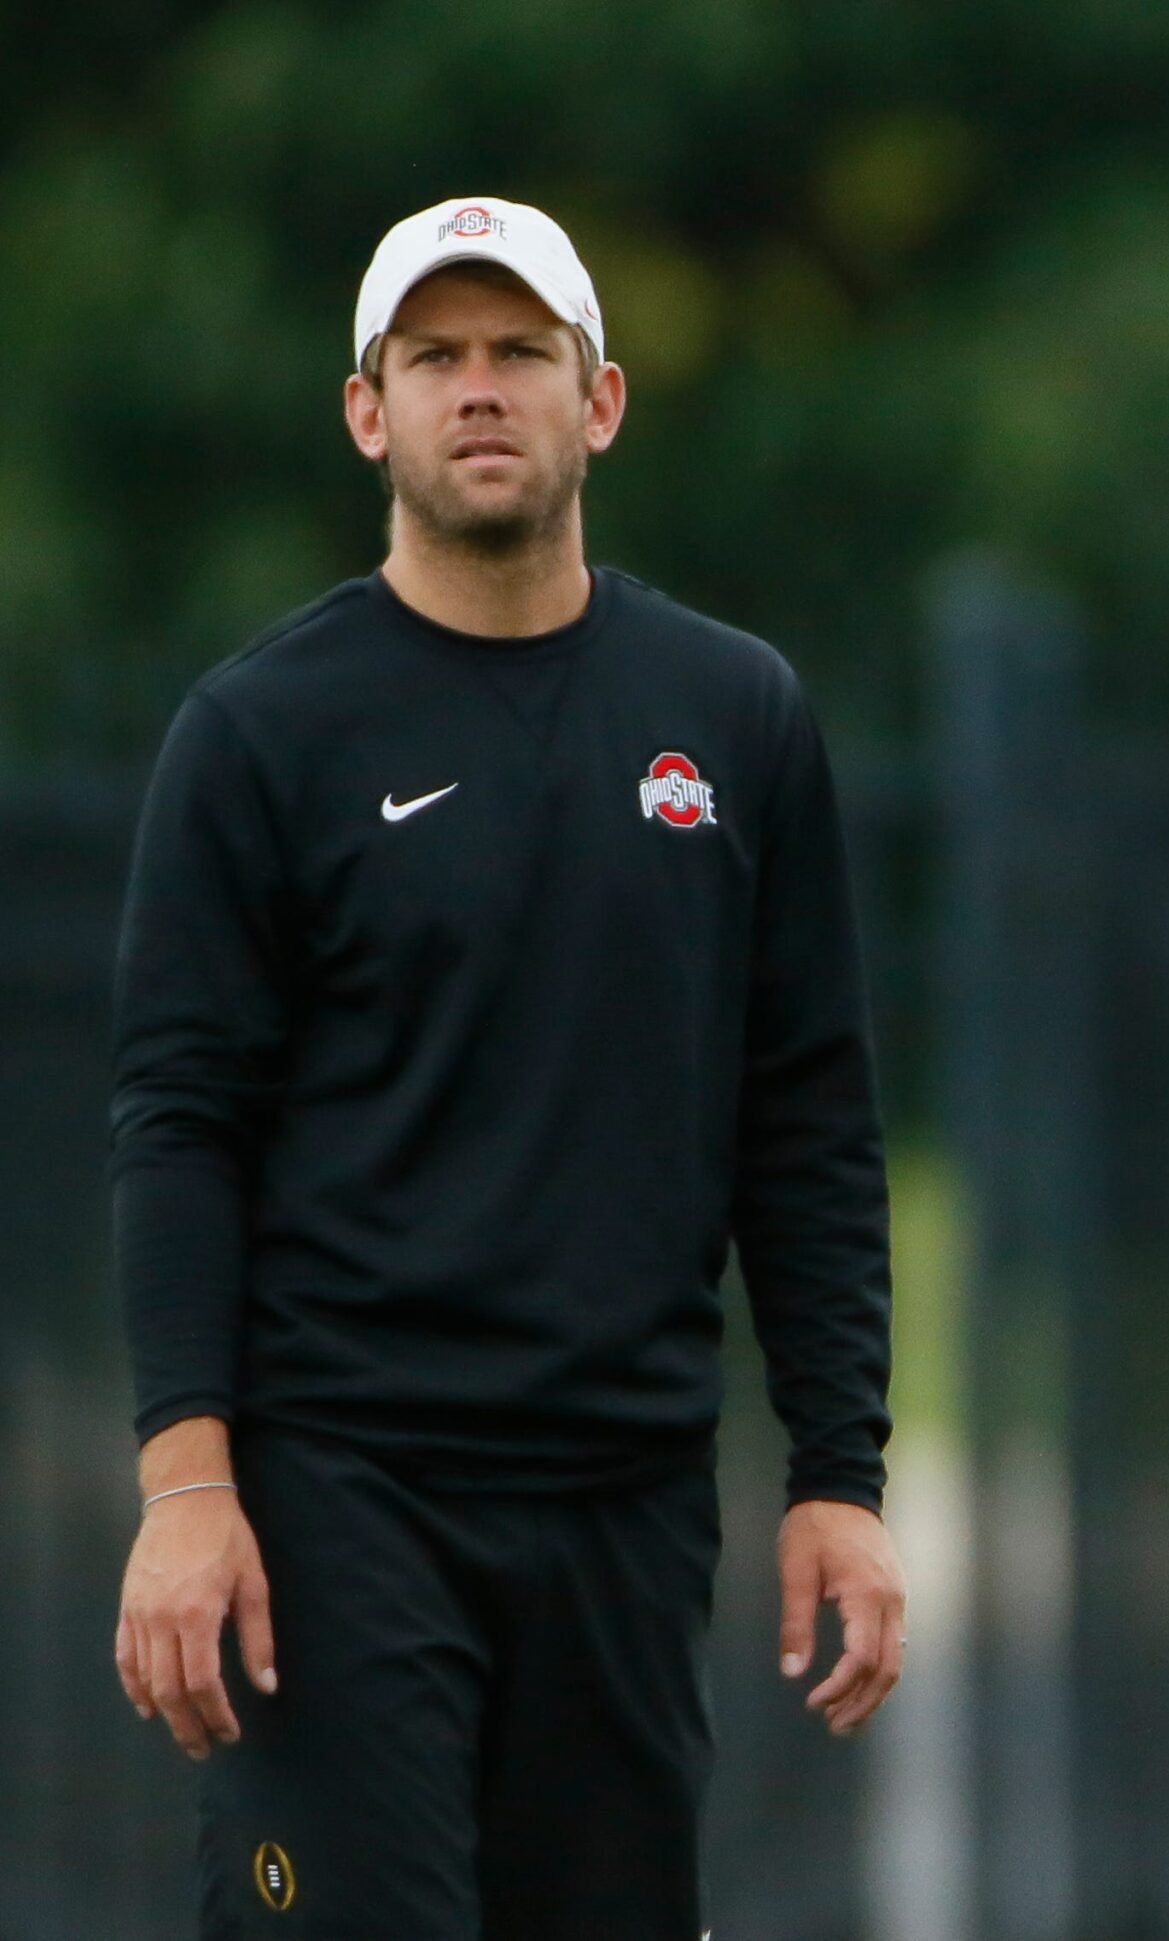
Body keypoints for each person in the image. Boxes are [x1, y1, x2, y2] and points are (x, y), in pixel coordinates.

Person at [109, 195, 905, 1940]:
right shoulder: (263, 731)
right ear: (367, 409)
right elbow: (180, 1124)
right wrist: (188, 1486)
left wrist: (841, 1476)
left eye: (520, 354)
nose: (482, 391)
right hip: (339, 1501)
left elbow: (811, 1122)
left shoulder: (738, 715)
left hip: (624, 1508)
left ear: (599, 400)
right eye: (437, 357)